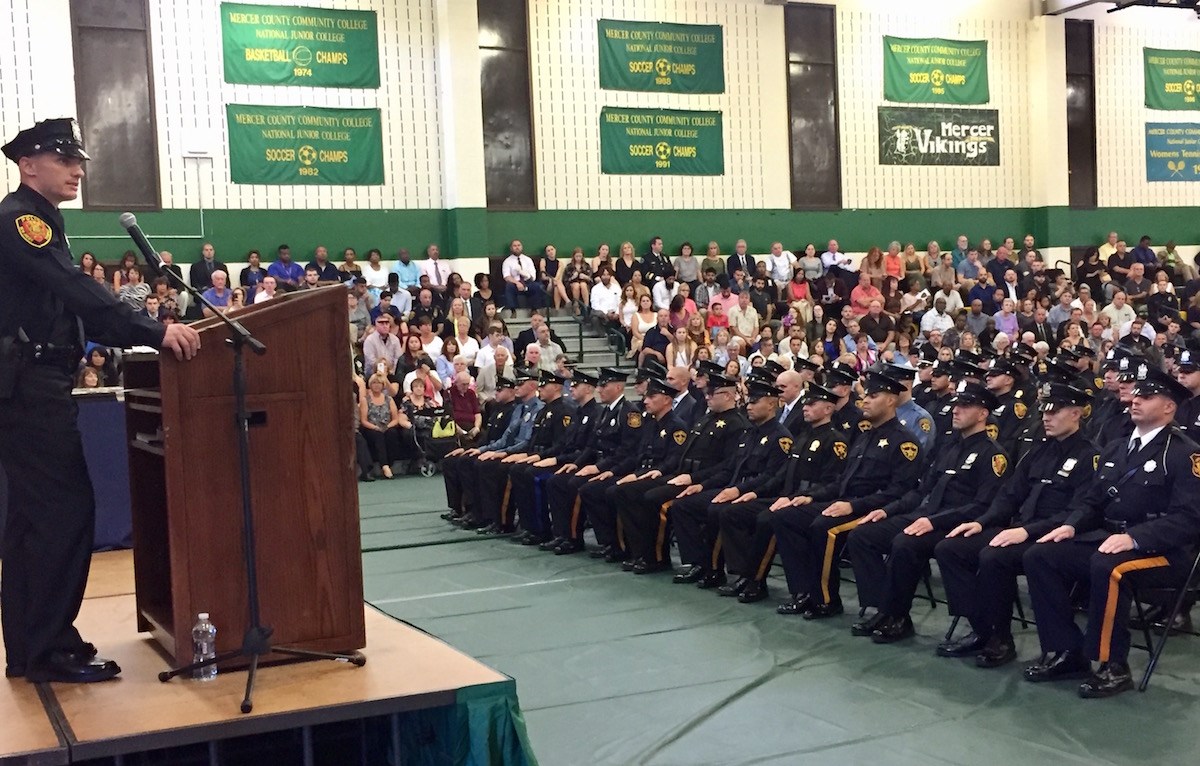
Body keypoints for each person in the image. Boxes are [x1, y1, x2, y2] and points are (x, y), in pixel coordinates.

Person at [0, 118, 201, 684]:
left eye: (78, 162)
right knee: (62, 512)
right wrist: (155, 331)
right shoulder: (22, 221)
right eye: (64, 161)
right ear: (28, 165)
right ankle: (49, 648)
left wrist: (146, 330)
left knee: (33, 519)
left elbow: (78, 311)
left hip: (32, 381)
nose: (77, 171)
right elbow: (77, 290)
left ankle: (32, 645)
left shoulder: (43, 221)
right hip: (30, 385)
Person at [1022, 365, 1200, 698]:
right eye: (1136, 395)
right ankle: (1066, 651)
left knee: (1109, 568)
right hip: (1111, 540)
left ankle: (1113, 665)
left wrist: (1134, 538)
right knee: (1041, 556)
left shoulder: (1185, 453)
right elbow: (1093, 501)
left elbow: (1189, 519)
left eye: (1147, 397)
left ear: (1169, 407)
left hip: (1162, 552)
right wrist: (1071, 525)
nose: (1135, 401)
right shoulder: (1117, 448)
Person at [934, 382, 1098, 667]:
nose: (1046, 417)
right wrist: (982, 522)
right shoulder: (1038, 451)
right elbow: (1009, 496)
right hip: (1024, 528)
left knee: (999, 556)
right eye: (1044, 411)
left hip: (1058, 534)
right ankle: (986, 630)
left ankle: (1066, 650)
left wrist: (1025, 531)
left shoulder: (1089, 456)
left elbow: (1080, 511)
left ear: (1076, 414)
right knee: (952, 548)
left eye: (1055, 411)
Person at [846, 381, 1008, 643]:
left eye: (965, 406)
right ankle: (884, 609)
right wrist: (887, 511)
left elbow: (981, 505)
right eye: (956, 405)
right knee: (863, 534)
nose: (956, 410)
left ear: (983, 414)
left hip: (956, 523)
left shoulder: (992, 455)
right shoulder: (948, 448)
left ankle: (899, 616)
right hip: (926, 515)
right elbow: (920, 491)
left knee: (906, 543)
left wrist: (933, 522)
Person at [768, 369, 924, 618]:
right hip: (845, 502)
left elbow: (899, 491)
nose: (865, 401)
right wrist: (813, 496)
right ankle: (803, 591)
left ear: (891, 401)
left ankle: (827, 600)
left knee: (824, 527)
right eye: (866, 395)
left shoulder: (904, 442)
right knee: (786, 516)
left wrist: (853, 506)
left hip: (872, 508)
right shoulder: (864, 438)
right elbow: (843, 481)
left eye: (873, 396)